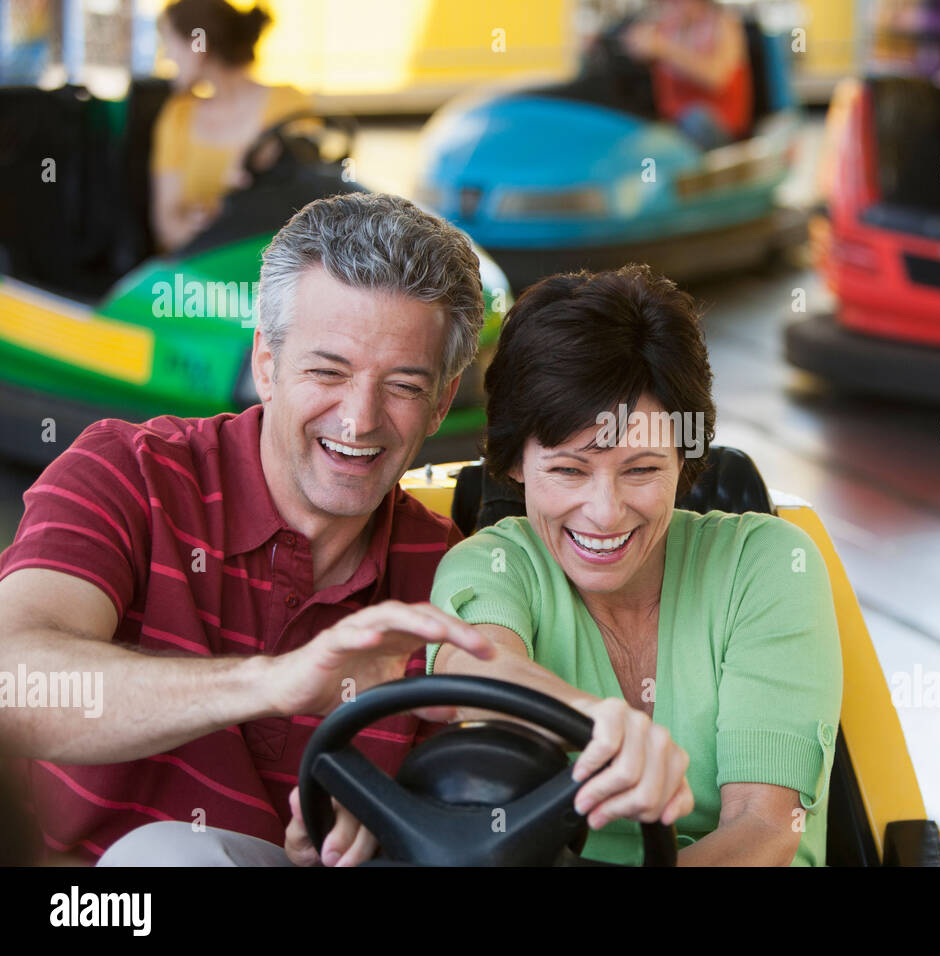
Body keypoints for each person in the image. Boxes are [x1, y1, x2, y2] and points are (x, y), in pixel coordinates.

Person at [0, 193, 497, 866]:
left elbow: (496, 760)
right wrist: (272, 682)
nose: (358, 419)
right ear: (266, 363)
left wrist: (385, 826)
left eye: (404, 387)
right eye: (328, 371)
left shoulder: (452, 572)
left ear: (442, 402)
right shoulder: (128, 472)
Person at [426, 266, 843, 866]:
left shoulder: (768, 564)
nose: (604, 513)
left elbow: (766, 829)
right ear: (516, 461)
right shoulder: (493, 565)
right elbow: (479, 670)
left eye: (642, 470)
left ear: (685, 458)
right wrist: (596, 721)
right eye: (569, 471)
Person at [151, 0, 311, 252]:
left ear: (197, 47)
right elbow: (168, 227)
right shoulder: (177, 115)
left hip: (271, 261)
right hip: (201, 265)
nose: (166, 56)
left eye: (168, 43)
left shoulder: (287, 103)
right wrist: (206, 228)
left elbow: (308, 202)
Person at [622, 0, 753, 150]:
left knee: (696, 119)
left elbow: (716, 78)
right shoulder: (667, 27)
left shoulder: (723, 24)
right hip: (674, 127)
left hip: (720, 130)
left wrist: (664, 48)